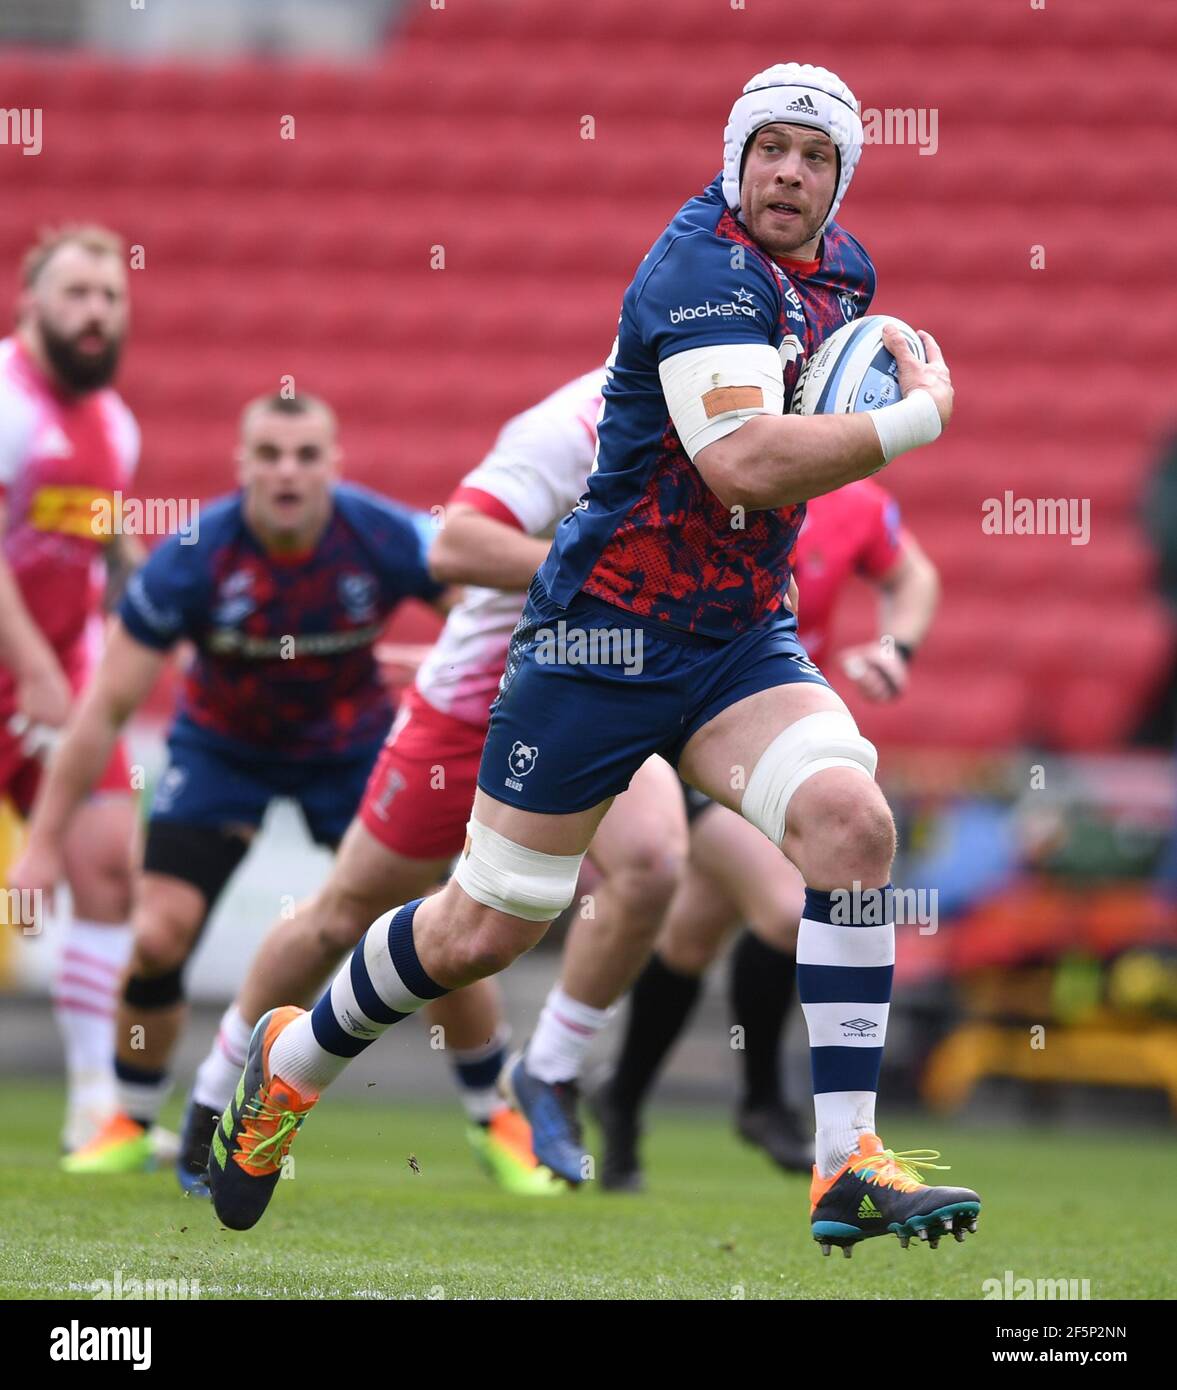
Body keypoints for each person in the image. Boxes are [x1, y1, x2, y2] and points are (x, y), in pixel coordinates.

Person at [210, 62, 980, 1259]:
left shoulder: (844, 274)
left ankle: (845, 1162)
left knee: (853, 826)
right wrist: (915, 419)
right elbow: (743, 462)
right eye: (769, 146)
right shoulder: (699, 268)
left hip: (734, 636)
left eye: (815, 155)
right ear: (735, 158)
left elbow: (790, 467)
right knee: (482, 927)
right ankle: (288, 1062)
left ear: (842, 179)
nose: (788, 171)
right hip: (598, 640)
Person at [186, 369, 688, 1195]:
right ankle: (213, 1103)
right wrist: (598, 588)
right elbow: (455, 548)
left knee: (655, 863)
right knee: (352, 918)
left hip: (596, 705)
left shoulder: (738, 424)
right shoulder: (573, 422)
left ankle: (543, 1079)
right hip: (466, 716)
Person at [10, 391, 449, 1181]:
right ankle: (130, 1116)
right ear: (242, 465)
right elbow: (102, 709)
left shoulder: (378, 533)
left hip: (346, 749)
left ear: (333, 465)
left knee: (437, 923)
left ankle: (498, 1115)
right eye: (270, 455)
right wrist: (41, 846)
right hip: (223, 751)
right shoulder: (194, 553)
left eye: (305, 455)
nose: (287, 472)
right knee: (156, 935)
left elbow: (481, 613)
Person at [593, 482, 940, 1189]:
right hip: (694, 732)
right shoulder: (711, 475)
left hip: (782, 731)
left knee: (690, 936)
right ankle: (762, 1098)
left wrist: (894, 647)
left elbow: (914, 575)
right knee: (786, 908)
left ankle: (620, 1098)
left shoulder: (855, 500)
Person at [0, 225, 143, 1154]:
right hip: (37, 676)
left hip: (63, 684)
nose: (95, 313)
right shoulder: (6, 400)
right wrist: (41, 671)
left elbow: (102, 547)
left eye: (109, 297)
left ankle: (95, 1098)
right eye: (77, 293)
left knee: (108, 868)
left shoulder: (116, 424)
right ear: (32, 302)